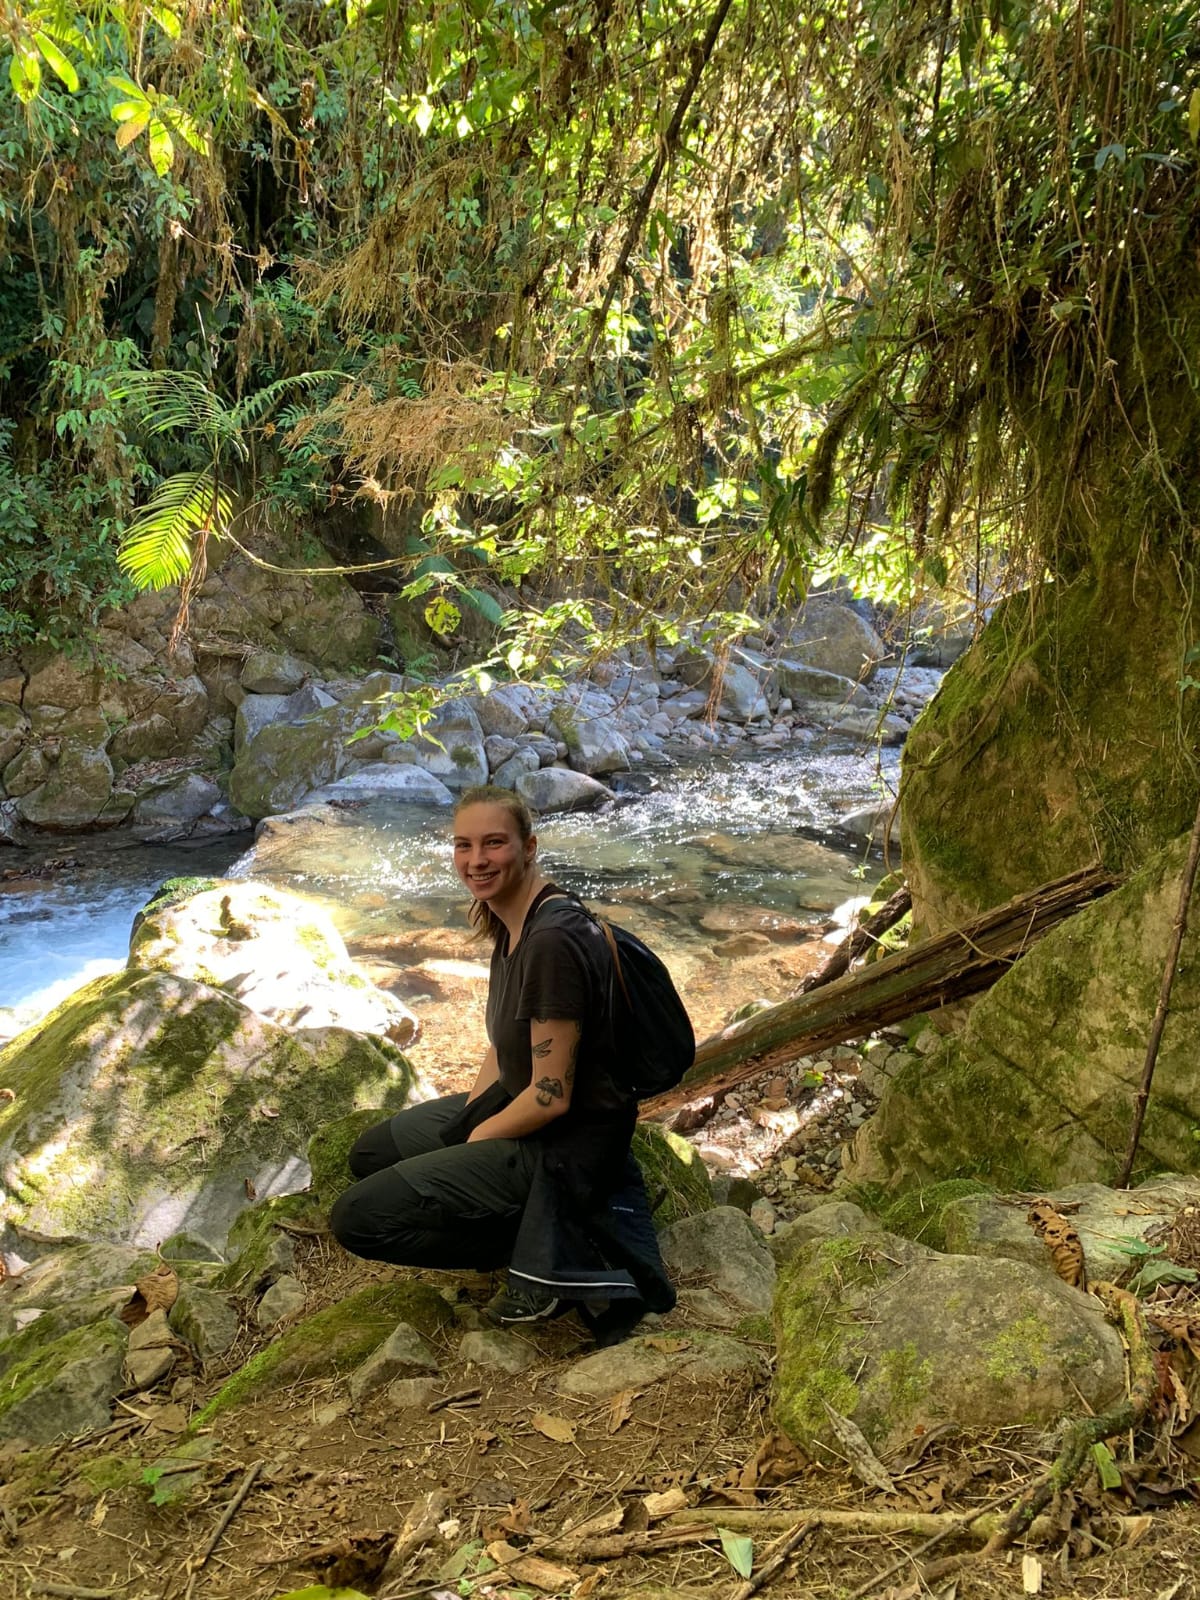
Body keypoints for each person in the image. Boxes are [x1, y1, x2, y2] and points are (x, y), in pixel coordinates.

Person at [329, 785, 675, 1340]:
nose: (476, 860)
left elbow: (550, 1096)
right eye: (463, 845)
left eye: (494, 843)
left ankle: (543, 1252)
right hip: (521, 1108)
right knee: (372, 1153)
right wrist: (469, 1115)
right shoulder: (511, 919)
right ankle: (511, 1208)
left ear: (529, 846)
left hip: (563, 1146)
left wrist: (476, 1141)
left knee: (358, 1220)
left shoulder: (552, 942)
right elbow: (501, 1040)